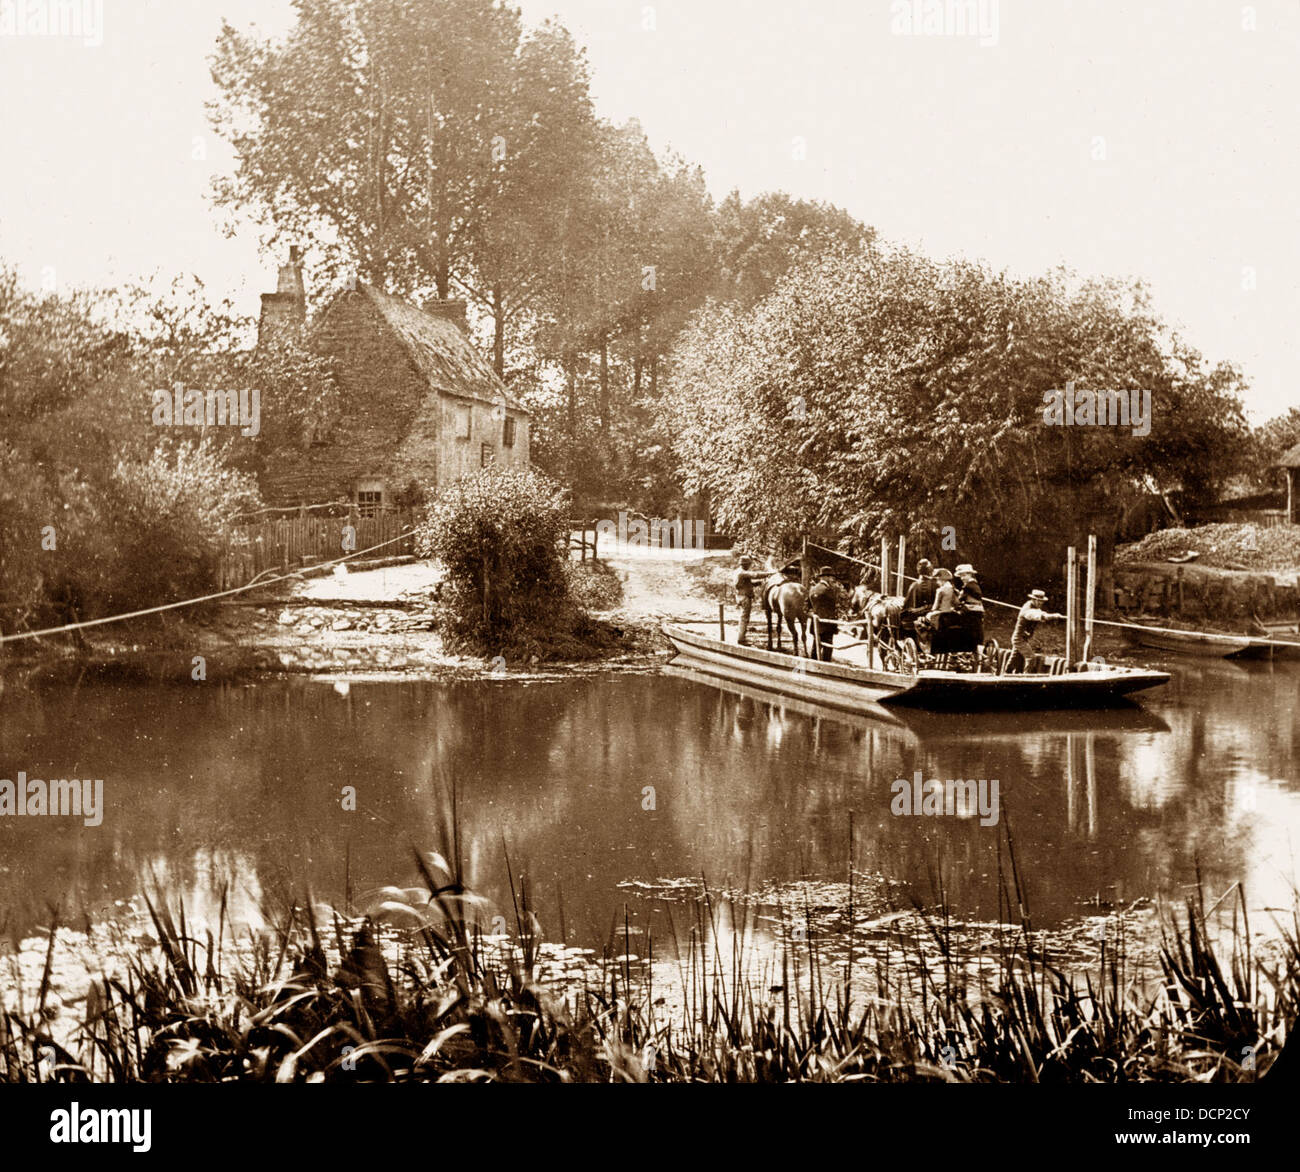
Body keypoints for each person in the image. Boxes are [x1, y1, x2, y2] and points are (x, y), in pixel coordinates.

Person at [1008, 589, 1065, 673]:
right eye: (1038, 601)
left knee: (1014, 659)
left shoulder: (1035, 607)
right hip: (1019, 639)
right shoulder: (1028, 610)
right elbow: (1041, 616)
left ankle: (1004, 673)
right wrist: (1055, 616)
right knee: (1031, 658)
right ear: (1033, 600)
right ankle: (1026, 678)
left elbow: (1041, 613)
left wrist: (1050, 615)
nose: (1040, 603)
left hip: (1023, 638)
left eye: (1042, 601)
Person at [807, 565, 844, 662]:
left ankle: (813, 667)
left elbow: (806, 608)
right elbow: (834, 605)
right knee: (827, 649)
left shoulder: (812, 589)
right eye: (831, 577)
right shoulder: (828, 590)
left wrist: (813, 615)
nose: (832, 579)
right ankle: (825, 669)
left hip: (816, 624)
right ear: (826, 577)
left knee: (816, 647)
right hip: (827, 625)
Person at [925, 568, 961, 655]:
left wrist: (930, 611)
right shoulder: (954, 590)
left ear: (942, 580)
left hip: (941, 616)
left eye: (938, 580)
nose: (937, 582)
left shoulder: (940, 590)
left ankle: (927, 646)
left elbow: (935, 606)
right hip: (951, 615)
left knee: (925, 619)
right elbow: (957, 603)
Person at [731, 556, 765, 645]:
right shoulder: (742, 573)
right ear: (746, 565)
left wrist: (757, 583)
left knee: (743, 617)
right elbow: (755, 575)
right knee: (744, 618)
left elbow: (746, 582)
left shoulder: (737, 572)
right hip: (745, 597)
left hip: (740, 595)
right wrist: (770, 573)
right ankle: (741, 639)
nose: (750, 566)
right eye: (749, 564)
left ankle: (741, 637)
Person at [955, 564, 985, 658]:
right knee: (977, 631)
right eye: (961, 576)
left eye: (964, 575)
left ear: (970, 574)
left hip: (970, 612)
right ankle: (977, 651)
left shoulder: (968, 586)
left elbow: (959, 599)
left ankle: (963, 650)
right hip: (979, 611)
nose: (962, 578)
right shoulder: (975, 585)